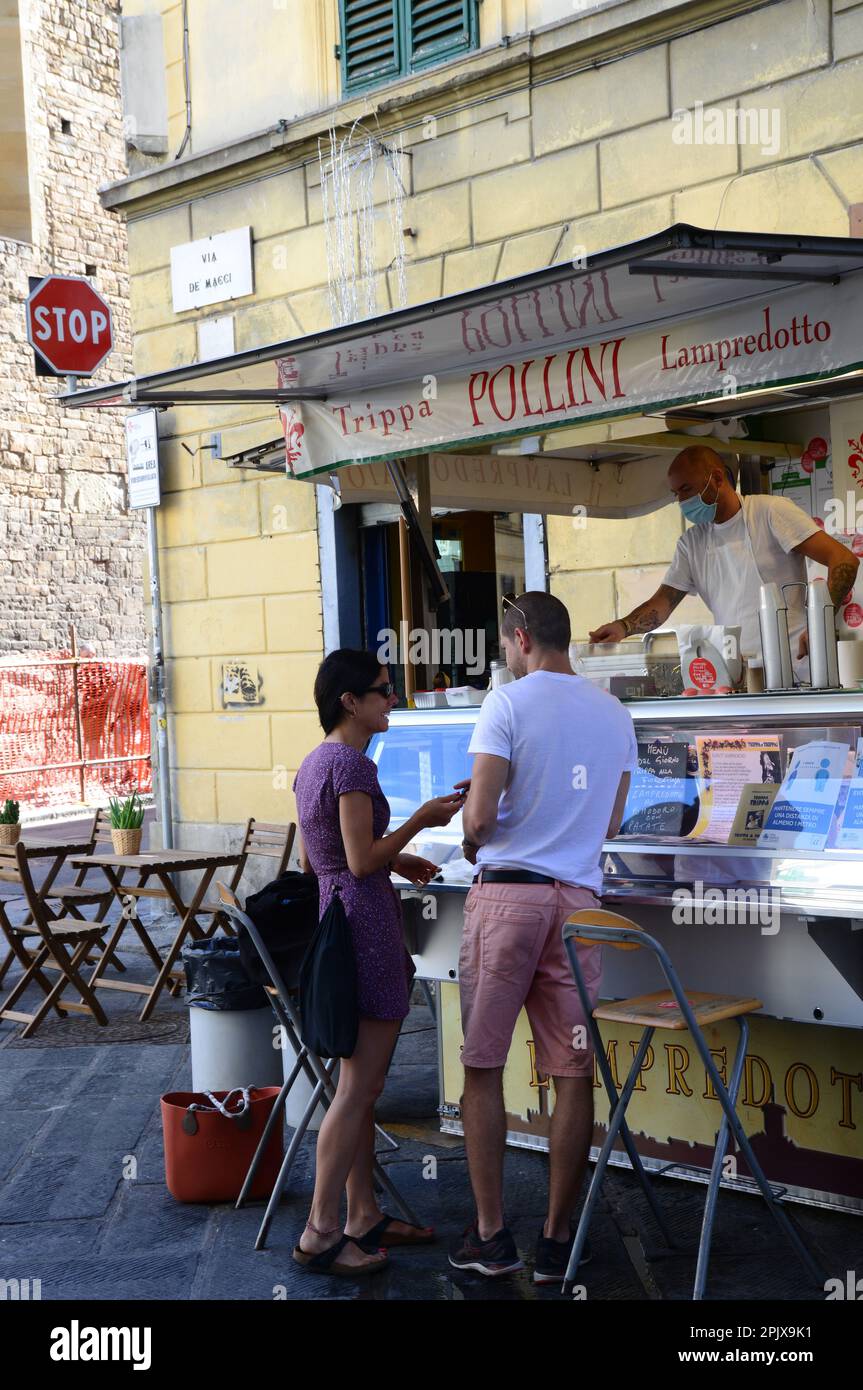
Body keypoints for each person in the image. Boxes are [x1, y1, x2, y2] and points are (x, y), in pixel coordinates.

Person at [449, 592, 637, 1283]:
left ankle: (492, 1236)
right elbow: (610, 816)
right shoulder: (613, 711)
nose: (506, 656)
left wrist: (475, 838)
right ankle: (559, 1241)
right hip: (579, 908)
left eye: (506, 646)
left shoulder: (505, 702)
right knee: (570, 1072)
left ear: (521, 638)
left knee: (482, 1067)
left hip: (507, 900)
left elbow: (477, 818)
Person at [292, 648, 464, 1277]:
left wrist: (396, 860)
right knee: (359, 1090)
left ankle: (361, 1213)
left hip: (333, 919)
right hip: (366, 926)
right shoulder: (355, 767)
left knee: (353, 1088)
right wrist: (419, 822)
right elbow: (360, 862)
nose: (393, 700)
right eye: (384, 691)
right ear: (351, 702)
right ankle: (319, 1230)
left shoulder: (315, 764)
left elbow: (325, 859)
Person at [589, 445, 859, 678]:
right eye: (676, 494)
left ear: (717, 478)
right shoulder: (691, 543)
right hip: (735, 675)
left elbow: (843, 559)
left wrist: (818, 624)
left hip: (798, 667)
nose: (682, 501)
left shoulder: (770, 512)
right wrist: (623, 627)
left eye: (687, 489)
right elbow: (662, 604)